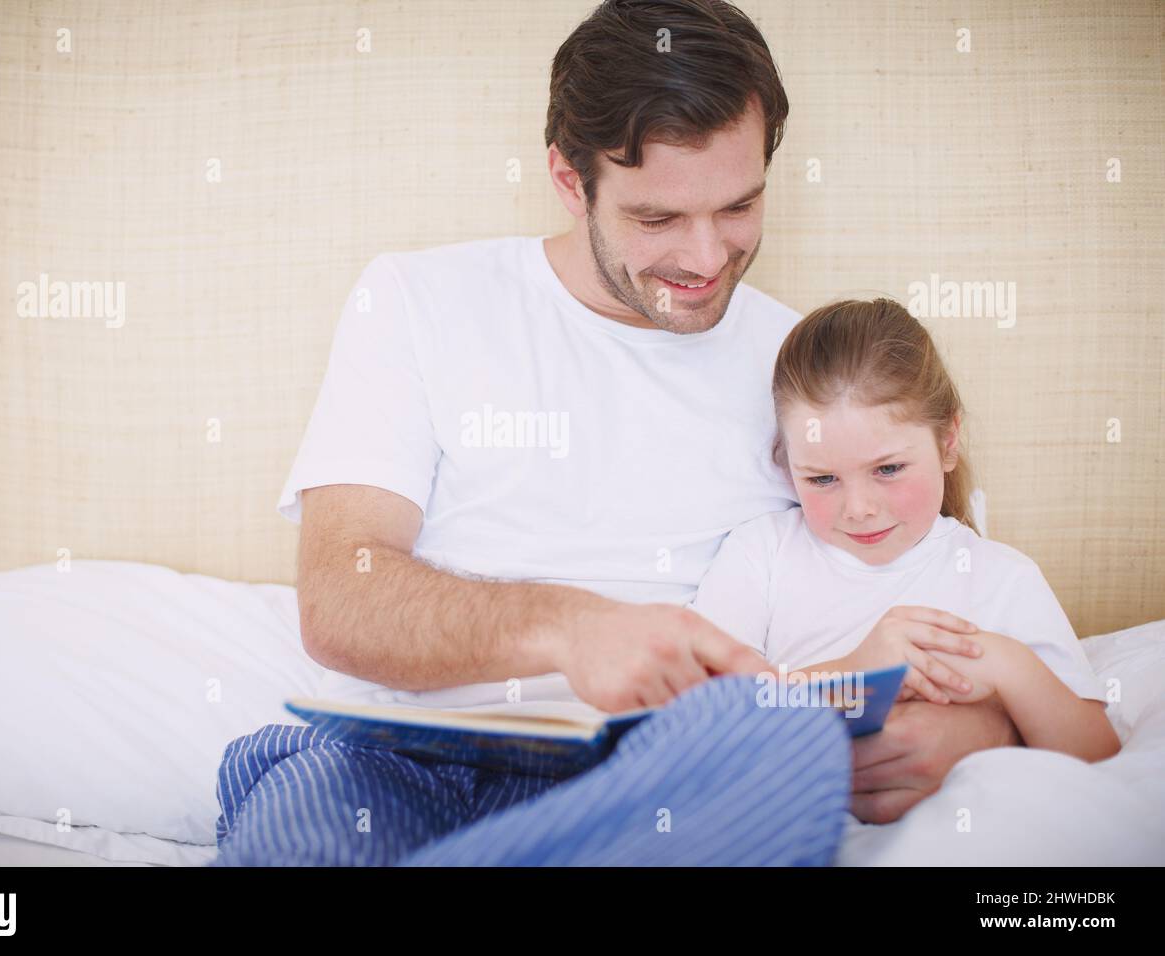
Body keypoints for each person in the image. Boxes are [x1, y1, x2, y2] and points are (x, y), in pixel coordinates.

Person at [213, 0, 1021, 866]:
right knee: (304, 829)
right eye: (656, 219)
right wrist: (571, 629)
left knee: (779, 745)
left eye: (739, 207)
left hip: (664, 770)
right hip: (392, 759)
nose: (707, 259)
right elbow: (342, 597)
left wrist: (980, 731)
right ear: (569, 178)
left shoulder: (806, 369)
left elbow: (928, 568)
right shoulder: (417, 300)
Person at [689, 298, 1121, 774]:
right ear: (785, 461)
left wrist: (1004, 665)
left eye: (889, 468)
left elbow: (1098, 755)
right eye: (822, 479)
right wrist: (854, 670)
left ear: (948, 441)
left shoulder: (1001, 577)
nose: (859, 509)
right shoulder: (761, 554)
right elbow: (700, 720)